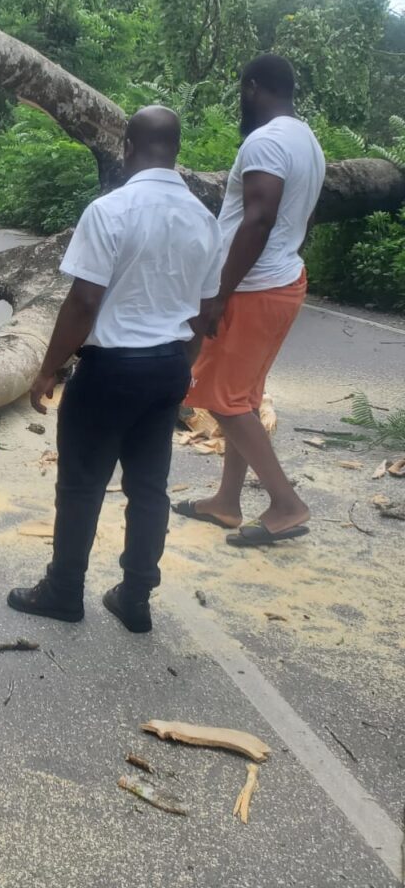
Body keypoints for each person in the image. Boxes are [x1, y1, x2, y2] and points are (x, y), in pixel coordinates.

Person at [7, 107, 223, 633]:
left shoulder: (110, 210)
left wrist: (46, 371)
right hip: (167, 367)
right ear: (176, 149)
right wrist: (179, 365)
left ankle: (63, 591)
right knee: (149, 489)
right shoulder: (204, 218)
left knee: (81, 485)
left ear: (127, 148)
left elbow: (83, 302)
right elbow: (209, 312)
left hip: (110, 371)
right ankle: (135, 596)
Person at [173, 54, 324, 547]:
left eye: (243, 91)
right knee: (242, 396)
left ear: (253, 87)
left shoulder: (267, 141)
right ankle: (227, 502)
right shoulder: (306, 140)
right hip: (278, 281)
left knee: (223, 398)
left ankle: (286, 504)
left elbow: (258, 220)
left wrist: (219, 293)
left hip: (254, 287)